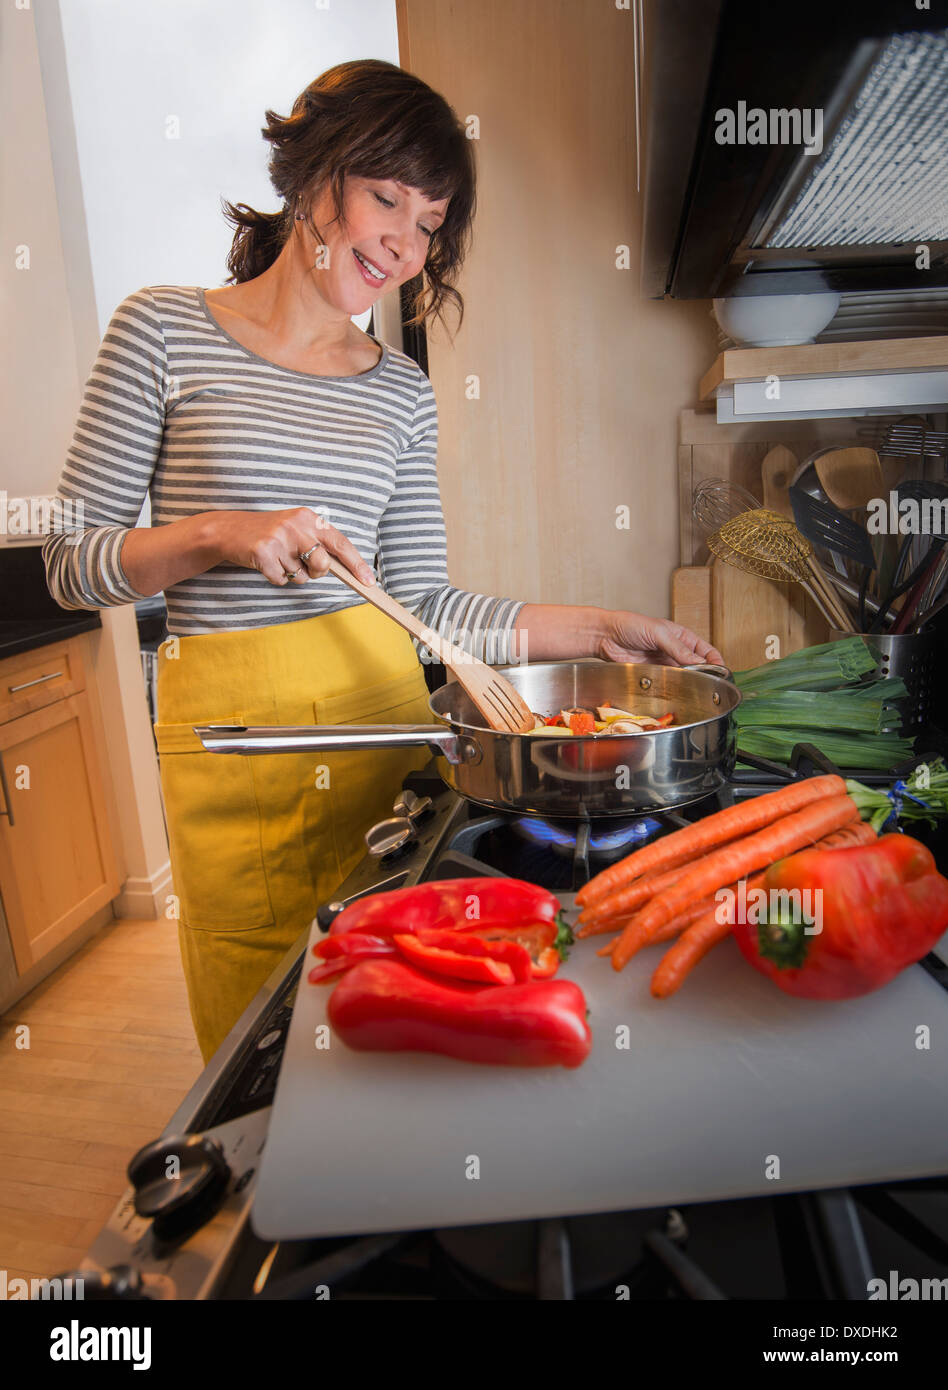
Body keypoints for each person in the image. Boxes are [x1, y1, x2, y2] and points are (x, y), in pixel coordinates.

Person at [44, 59, 723, 1062]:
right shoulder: (161, 331)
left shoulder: (400, 392)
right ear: (315, 180)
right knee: (264, 1053)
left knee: (389, 1027)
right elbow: (70, 564)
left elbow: (424, 604)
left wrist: (603, 629)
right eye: (385, 197)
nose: (405, 240)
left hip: (385, 750)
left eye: (431, 221)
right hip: (244, 762)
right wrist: (217, 533)